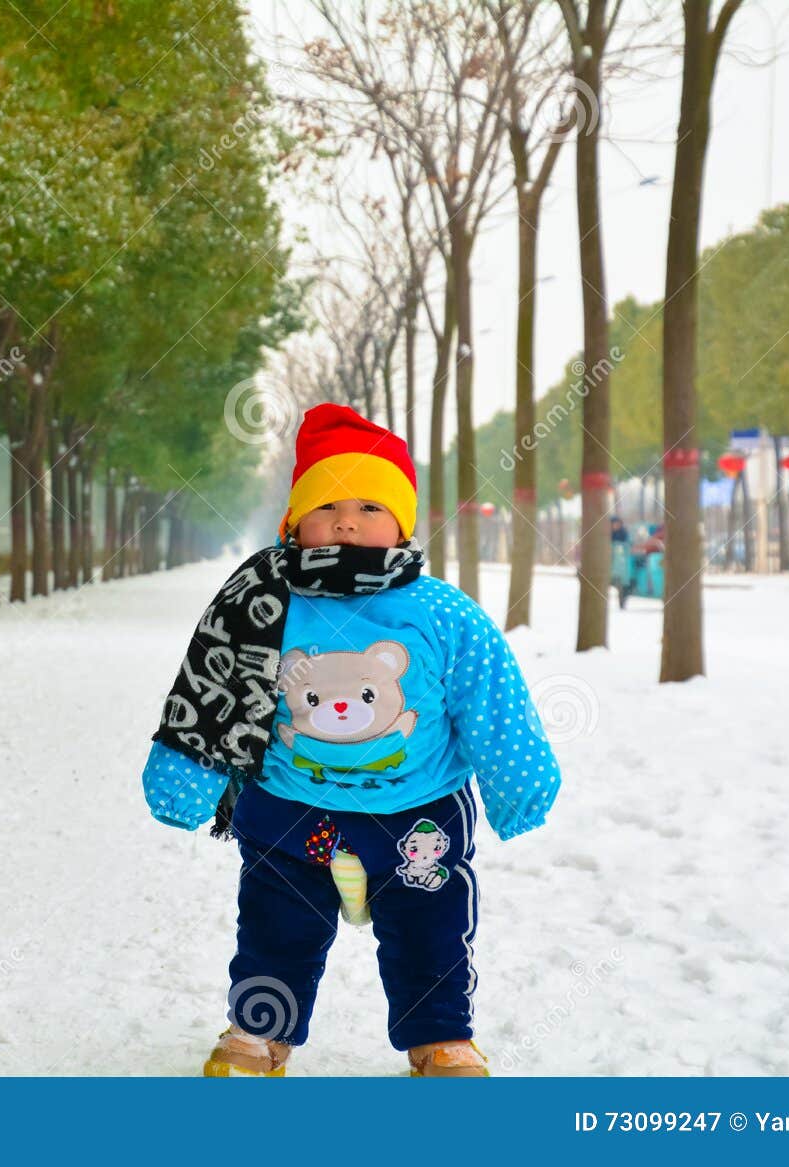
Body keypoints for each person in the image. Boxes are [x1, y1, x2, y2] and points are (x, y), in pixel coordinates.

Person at [140, 403, 563, 1078]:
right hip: (288, 807)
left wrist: (520, 784)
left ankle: (441, 1037)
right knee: (275, 924)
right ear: (293, 522)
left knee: (431, 928)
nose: (346, 519)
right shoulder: (262, 604)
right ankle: (258, 1030)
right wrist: (186, 781)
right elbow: (213, 684)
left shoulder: (441, 612)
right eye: (327, 502)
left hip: (416, 814)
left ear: (401, 520)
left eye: (370, 504)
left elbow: (492, 698)